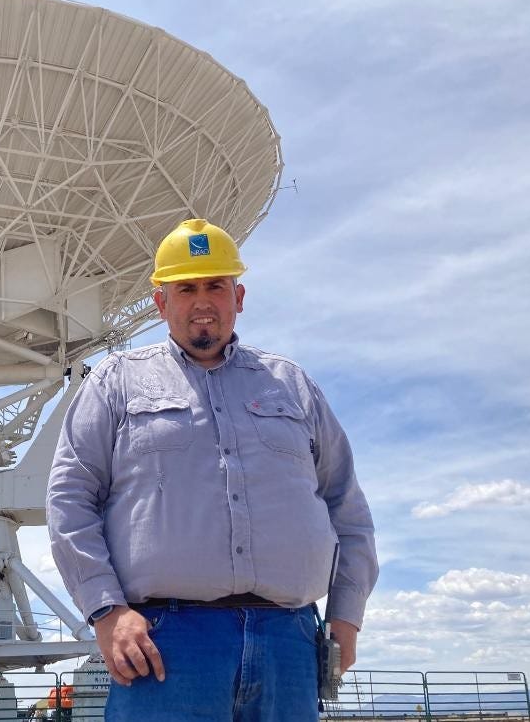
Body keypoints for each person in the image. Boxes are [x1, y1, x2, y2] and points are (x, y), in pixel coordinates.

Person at [46, 219, 379, 721]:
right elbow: (70, 499)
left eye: (216, 286)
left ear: (238, 297)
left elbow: (346, 508)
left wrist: (347, 616)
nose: (203, 301)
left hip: (289, 642)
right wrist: (106, 610)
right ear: (161, 303)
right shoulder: (117, 383)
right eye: (186, 288)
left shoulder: (291, 385)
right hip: (164, 643)